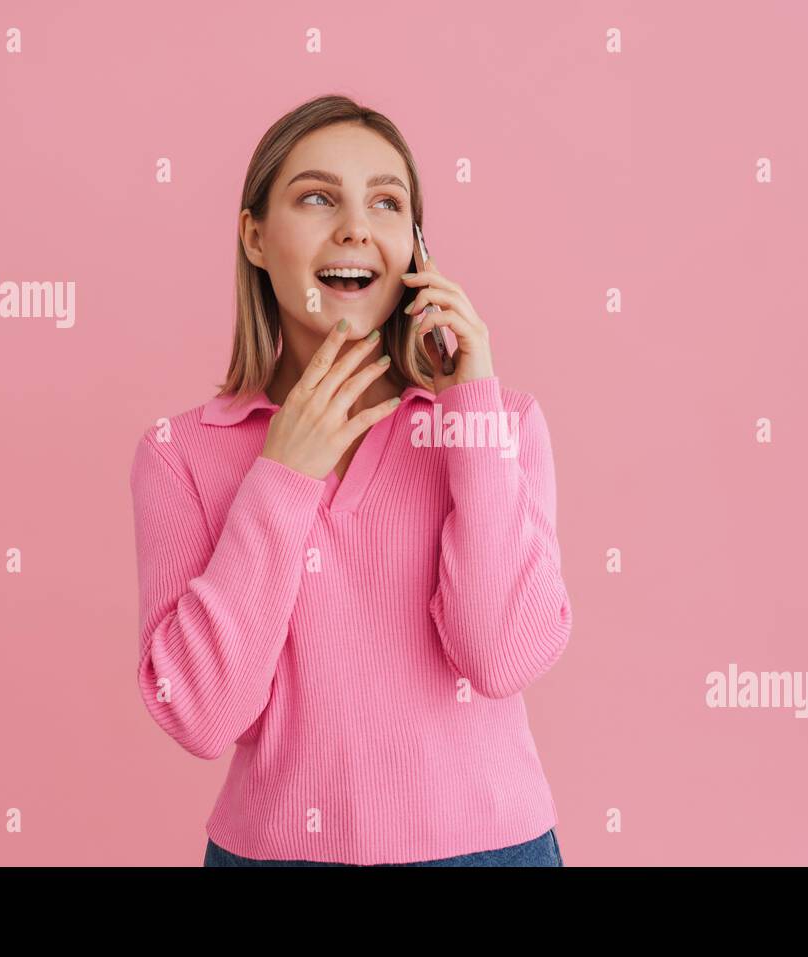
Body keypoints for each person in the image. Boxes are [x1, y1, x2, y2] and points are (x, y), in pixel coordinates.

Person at [129, 94, 572, 866]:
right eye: (317, 197)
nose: (356, 228)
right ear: (256, 237)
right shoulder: (179, 454)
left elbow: (499, 655)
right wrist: (282, 476)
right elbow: (200, 714)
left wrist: (473, 409)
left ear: (417, 248)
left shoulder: (503, 424)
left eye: (386, 203)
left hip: (491, 851)